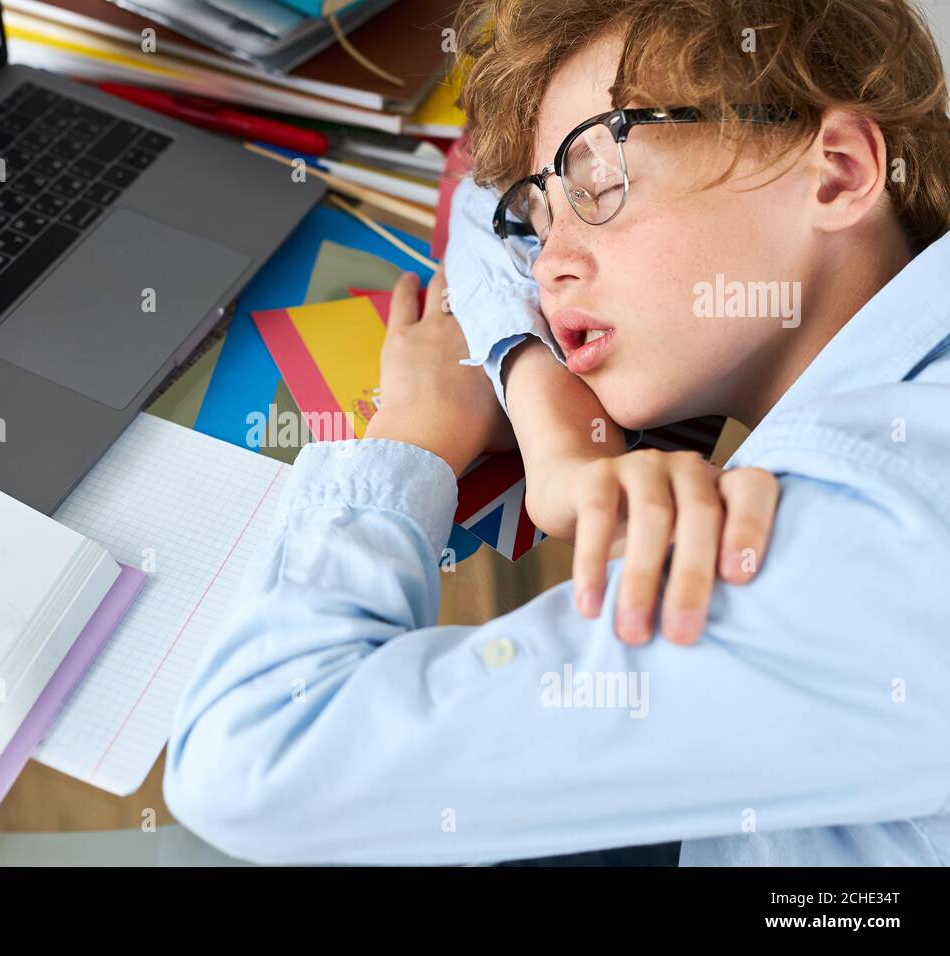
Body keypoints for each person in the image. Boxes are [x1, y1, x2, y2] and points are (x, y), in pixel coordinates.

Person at [161, 0, 950, 866]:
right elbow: (473, 185)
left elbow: (259, 753)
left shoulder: (862, 546)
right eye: (536, 222)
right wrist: (552, 426)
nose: (547, 264)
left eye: (600, 185)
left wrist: (416, 432)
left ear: (836, 172)